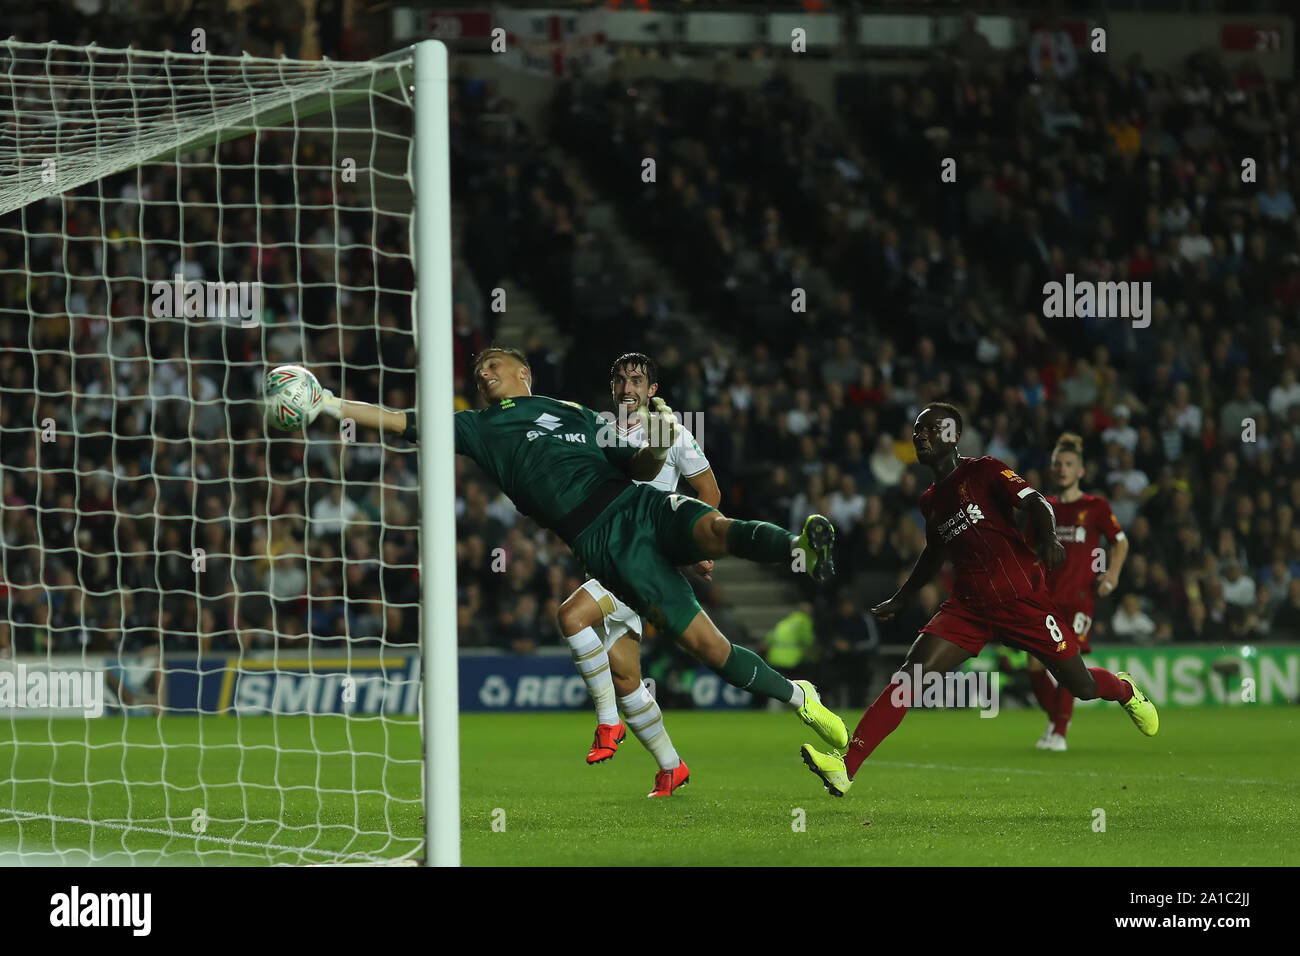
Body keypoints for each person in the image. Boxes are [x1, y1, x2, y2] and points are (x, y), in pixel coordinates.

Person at [310, 347, 849, 796]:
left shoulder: (573, 412)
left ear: (523, 373)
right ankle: (799, 696)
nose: (483, 372)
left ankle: (798, 546)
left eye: (493, 363)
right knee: (710, 651)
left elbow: (634, 467)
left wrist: (659, 447)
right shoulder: (475, 428)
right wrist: (330, 403)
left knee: (713, 529)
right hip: (608, 549)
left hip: (640, 505)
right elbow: (400, 420)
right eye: (478, 370)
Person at [800, 403, 1158, 798]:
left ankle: (1125, 690)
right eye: (917, 431)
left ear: (952, 435)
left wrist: (1051, 537)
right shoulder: (930, 501)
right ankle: (845, 767)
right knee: (909, 679)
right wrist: (902, 598)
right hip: (968, 609)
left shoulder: (985, 470)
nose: (920, 436)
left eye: (930, 429)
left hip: (1022, 600)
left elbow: (1037, 501)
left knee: (1083, 686)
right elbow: (934, 555)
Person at [554, 352, 719, 795]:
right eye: (621, 381)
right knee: (626, 677)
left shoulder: (674, 434)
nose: (628, 389)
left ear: (652, 391)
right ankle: (671, 766)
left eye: (637, 381)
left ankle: (608, 724)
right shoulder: (601, 432)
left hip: (642, 558)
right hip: (608, 555)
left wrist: (694, 541)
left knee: (572, 617)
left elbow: (708, 490)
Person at [1026, 432, 1129, 751]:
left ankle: (1059, 732)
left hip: (1079, 601)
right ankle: (1057, 719)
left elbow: (1120, 541)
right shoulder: (1044, 508)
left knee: (1070, 667)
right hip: (1045, 599)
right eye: (1057, 463)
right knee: (1033, 668)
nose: (1061, 469)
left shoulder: (1095, 506)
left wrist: (1111, 574)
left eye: (1068, 464)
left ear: (1080, 470)